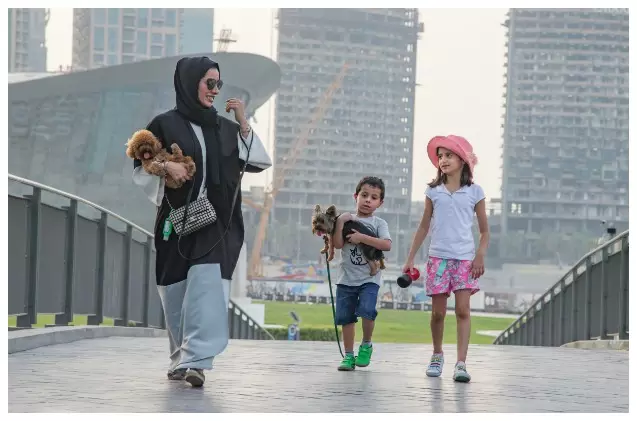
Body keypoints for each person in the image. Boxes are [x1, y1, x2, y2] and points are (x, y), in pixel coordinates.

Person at [131, 56, 271, 387]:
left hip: (217, 224)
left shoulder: (226, 128)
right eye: (210, 83)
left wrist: (244, 122)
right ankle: (181, 357)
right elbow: (141, 163)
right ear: (189, 82)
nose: (215, 90)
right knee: (176, 292)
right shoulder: (164, 124)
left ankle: (197, 362)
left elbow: (259, 160)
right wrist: (168, 169)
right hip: (176, 223)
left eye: (219, 84)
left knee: (206, 287)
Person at [403, 135, 489, 383]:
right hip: (437, 258)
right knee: (438, 314)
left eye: (449, 155)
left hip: (464, 259)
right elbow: (423, 227)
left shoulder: (475, 192)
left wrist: (479, 255)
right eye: (440, 156)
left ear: (463, 160)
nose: (443, 160)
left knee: (463, 310)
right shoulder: (433, 191)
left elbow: (485, 230)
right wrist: (410, 258)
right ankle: (437, 354)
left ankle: (461, 363)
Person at [330, 176, 392, 371]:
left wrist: (361, 238)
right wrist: (340, 223)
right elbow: (338, 244)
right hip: (346, 279)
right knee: (346, 317)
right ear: (355, 196)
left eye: (373, 197)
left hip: (369, 279)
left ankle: (366, 345)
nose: (367, 200)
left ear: (380, 203)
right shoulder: (346, 218)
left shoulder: (379, 223)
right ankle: (348, 355)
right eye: (364, 195)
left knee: (367, 311)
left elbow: (386, 245)